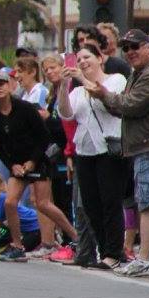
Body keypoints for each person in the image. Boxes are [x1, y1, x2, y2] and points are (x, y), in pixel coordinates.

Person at [88, 28, 149, 276]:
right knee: (148, 202)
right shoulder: (137, 74)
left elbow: (131, 105)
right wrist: (106, 98)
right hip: (143, 148)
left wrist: (105, 94)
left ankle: (144, 258)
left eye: (135, 46)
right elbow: (123, 108)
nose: (130, 52)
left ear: (148, 48)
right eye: (126, 48)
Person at [0, 68, 74, 262]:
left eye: (1, 84)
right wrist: (12, 165)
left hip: (38, 160)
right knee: (9, 202)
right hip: (16, 164)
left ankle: (77, 238)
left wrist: (33, 161)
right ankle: (17, 245)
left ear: (9, 86)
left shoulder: (24, 108)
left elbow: (43, 137)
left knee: (43, 204)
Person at [57, 44, 127, 270]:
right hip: (85, 151)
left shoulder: (115, 80)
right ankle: (104, 249)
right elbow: (67, 114)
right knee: (91, 205)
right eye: (78, 60)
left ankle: (114, 252)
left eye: (87, 57)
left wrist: (81, 79)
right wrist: (63, 85)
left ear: (100, 58)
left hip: (109, 149)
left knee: (110, 201)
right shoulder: (77, 90)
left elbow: (106, 103)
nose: (82, 63)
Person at [0, 172, 43, 256]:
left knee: (13, 251)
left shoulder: (2, 197)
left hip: (35, 230)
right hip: (28, 231)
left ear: (1, 185)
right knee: (6, 250)